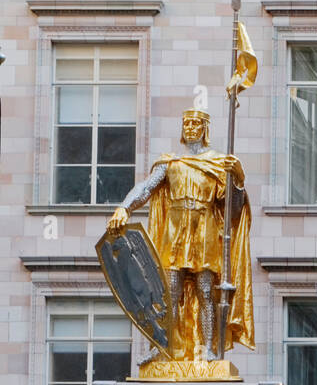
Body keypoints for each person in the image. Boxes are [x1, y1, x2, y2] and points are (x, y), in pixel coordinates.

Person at [105, 108, 254, 363]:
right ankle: (162, 345)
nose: (191, 128)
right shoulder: (171, 163)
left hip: (204, 228)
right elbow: (145, 188)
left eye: (197, 124)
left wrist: (238, 179)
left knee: (205, 291)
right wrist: (124, 207)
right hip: (174, 231)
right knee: (169, 292)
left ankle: (210, 349)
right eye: (187, 123)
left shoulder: (218, 164)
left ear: (205, 129)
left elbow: (234, 210)